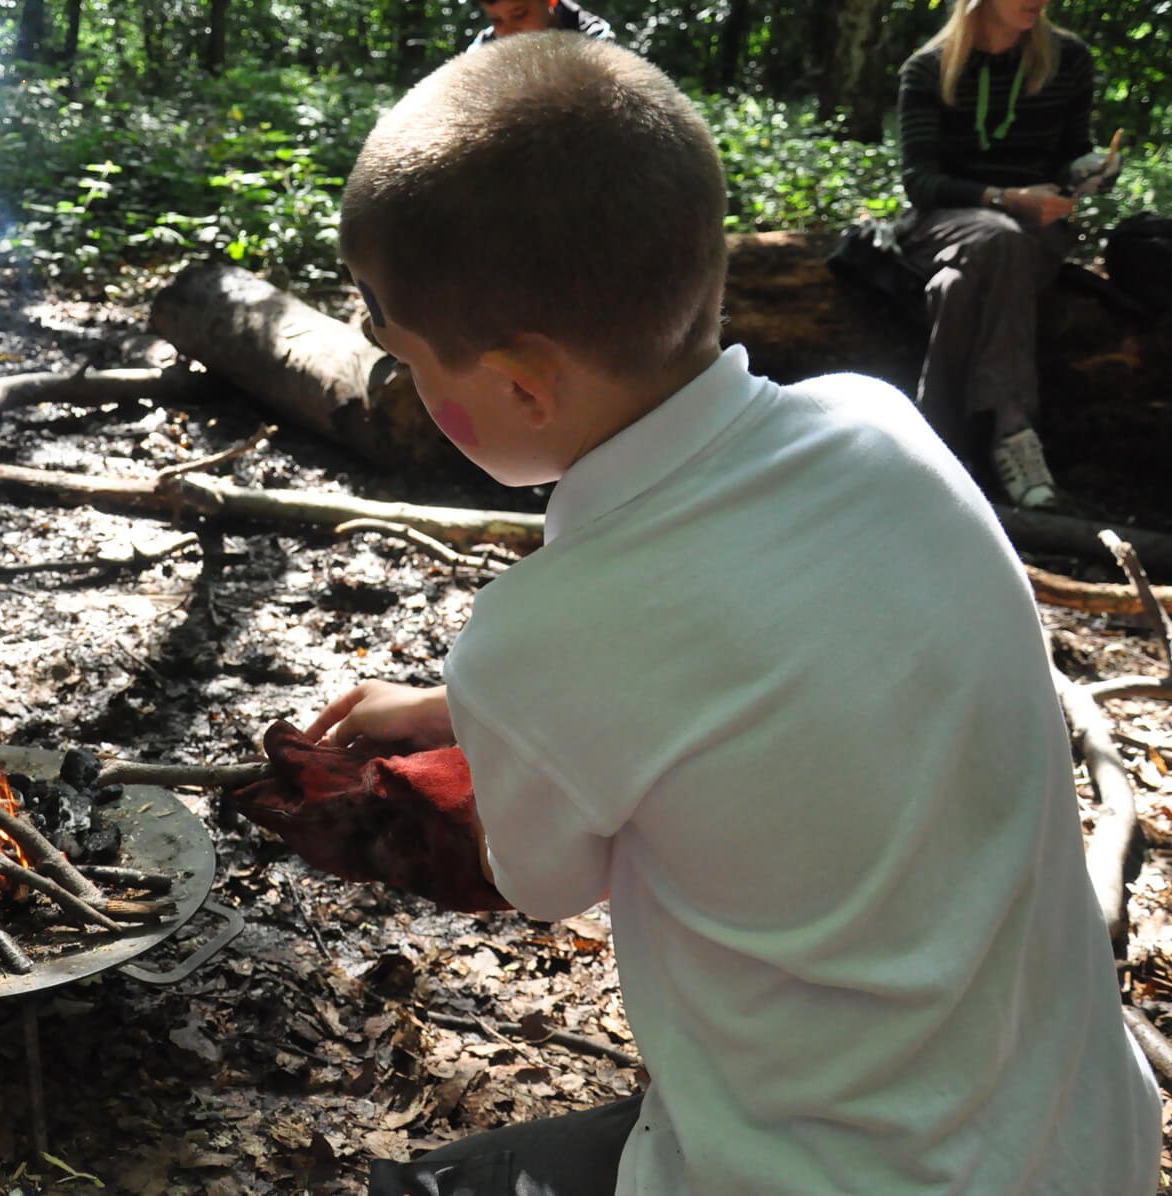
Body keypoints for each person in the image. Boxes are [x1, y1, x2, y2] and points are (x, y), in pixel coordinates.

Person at [259, 30, 1162, 1195]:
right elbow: (754, 659)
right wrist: (446, 705)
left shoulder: (543, 636)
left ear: (524, 383)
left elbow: (538, 874)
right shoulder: (877, 427)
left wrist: (470, 719)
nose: (397, 371)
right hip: (1075, 1141)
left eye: (399, 344)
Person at [894, 0, 1108, 509]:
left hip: (1036, 231)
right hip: (948, 223)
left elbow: (1071, 150)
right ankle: (1013, 429)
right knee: (1000, 238)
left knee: (956, 286)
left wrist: (1089, 172)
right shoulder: (927, 69)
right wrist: (1005, 199)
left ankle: (935, 450)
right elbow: (920, 183)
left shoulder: (1068, 58)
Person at [471, 0, 611, 47]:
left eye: (519, 14)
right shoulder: (485, 44)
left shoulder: (594, 40)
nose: (507, 32)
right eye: (496, 20)